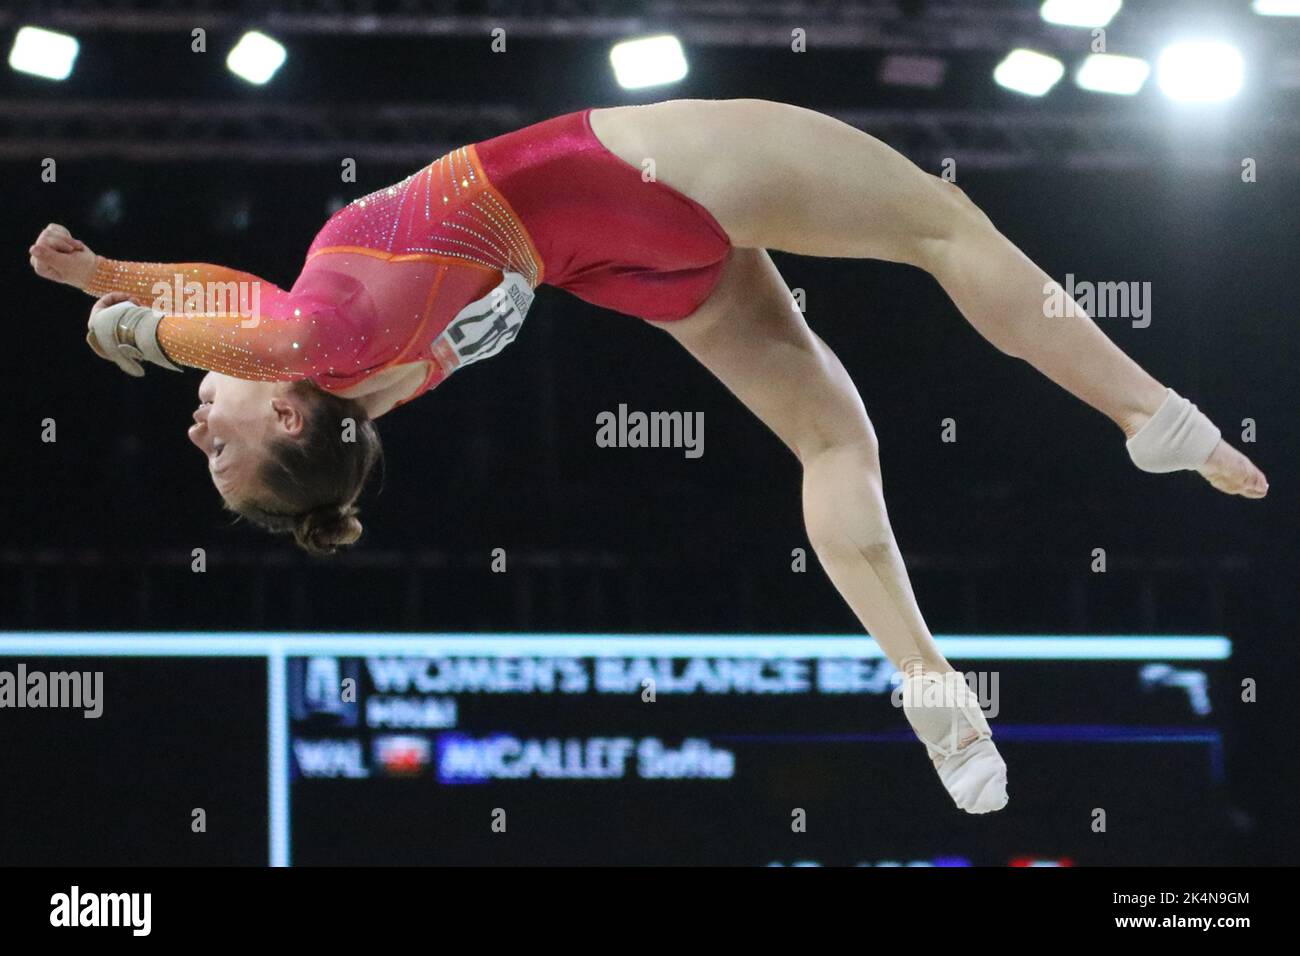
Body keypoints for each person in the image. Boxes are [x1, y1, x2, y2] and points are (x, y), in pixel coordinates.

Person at [29, 99, 1268, 814]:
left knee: (834, 438)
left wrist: (110, 276)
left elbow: (230, 298)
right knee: (944, 226)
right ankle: (1148, 414)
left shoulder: (350, 371)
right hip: (620, 175)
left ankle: (937, 699)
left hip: (619, 267)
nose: (197, 426)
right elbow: (247, 325)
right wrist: (126, 322)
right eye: (219, 449)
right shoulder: (332, 340)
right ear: (291, 420)